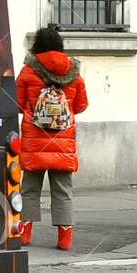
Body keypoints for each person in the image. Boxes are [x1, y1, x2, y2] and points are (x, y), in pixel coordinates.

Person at [16, 25, 89, 250]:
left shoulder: (28, 71)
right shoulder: (74, 73)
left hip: (33, 140)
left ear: (37, 45)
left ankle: (24, 235)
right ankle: (64, 240)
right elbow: (81, 105)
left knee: (29, 189)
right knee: (63, 191)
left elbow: (17, 103)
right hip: (63, 142)